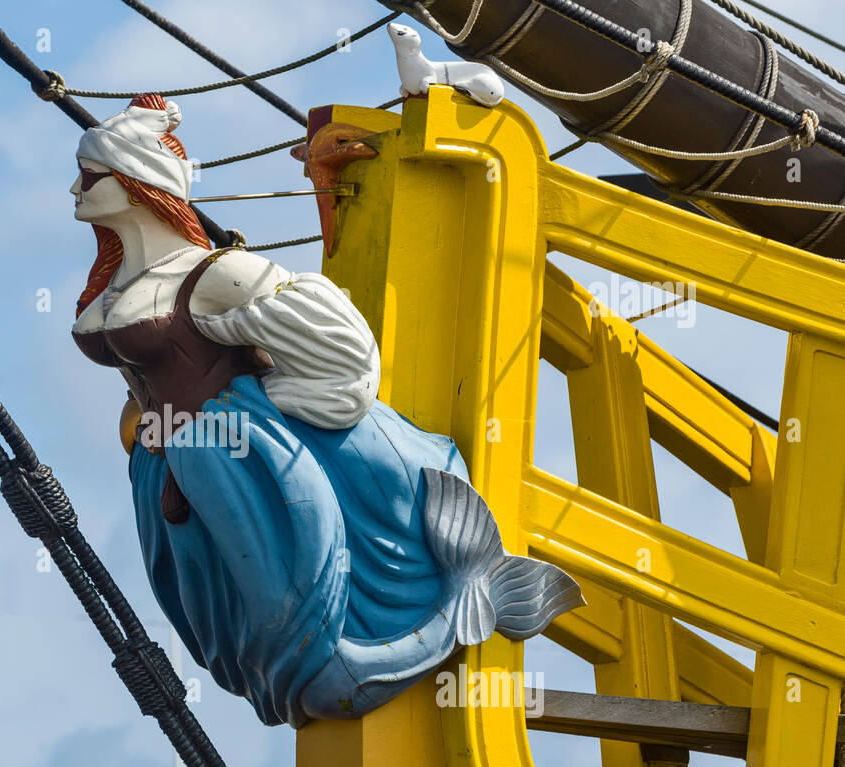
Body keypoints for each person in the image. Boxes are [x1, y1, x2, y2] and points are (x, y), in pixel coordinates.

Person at [70, 94, 582, 728]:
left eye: (90, 176)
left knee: (295, 638)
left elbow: (342, 350)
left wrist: (275, 410)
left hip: (232, 454)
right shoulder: (119, 283)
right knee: (223, 622)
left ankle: (409, 626)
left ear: (134, 183)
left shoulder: (215, 276)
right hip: (170, 463)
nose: (76, 188)